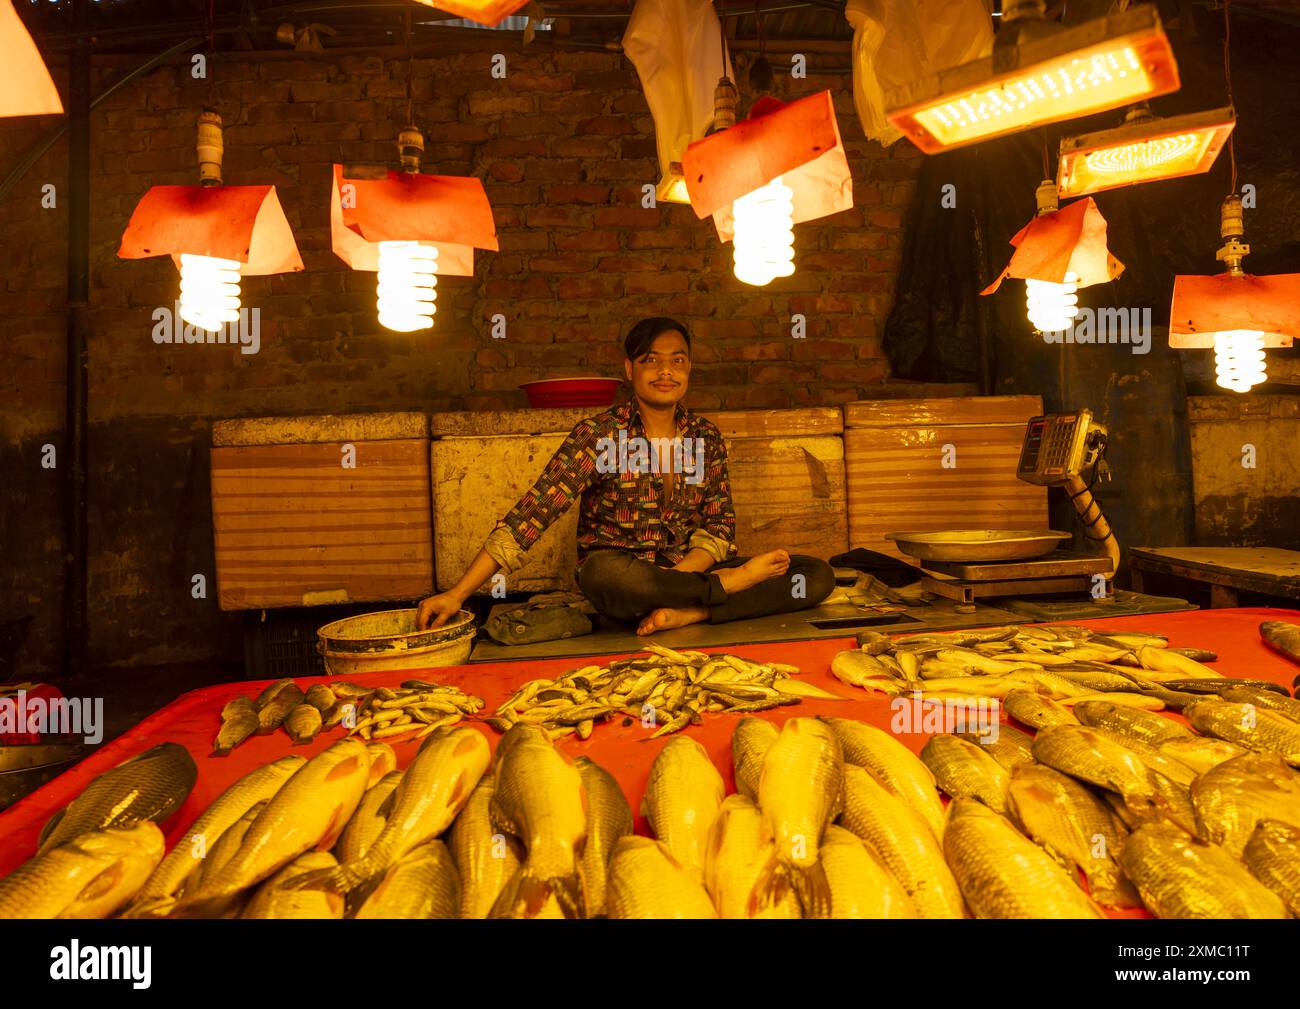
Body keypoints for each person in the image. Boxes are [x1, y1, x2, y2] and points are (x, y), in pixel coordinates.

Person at [417, 317, 836, 634]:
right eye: (650, 360)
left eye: (677, 361)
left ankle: (693, 609)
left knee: (813, 575)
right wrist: (457, 593)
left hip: (683, 576)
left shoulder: (704, 436)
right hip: (625, 585)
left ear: (689, 369)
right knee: (606, 575)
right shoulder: (599, 435)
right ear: (629, 369)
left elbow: (719, 525)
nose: (665, 371)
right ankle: (721, 593)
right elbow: (532, 516)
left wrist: (684, 577)